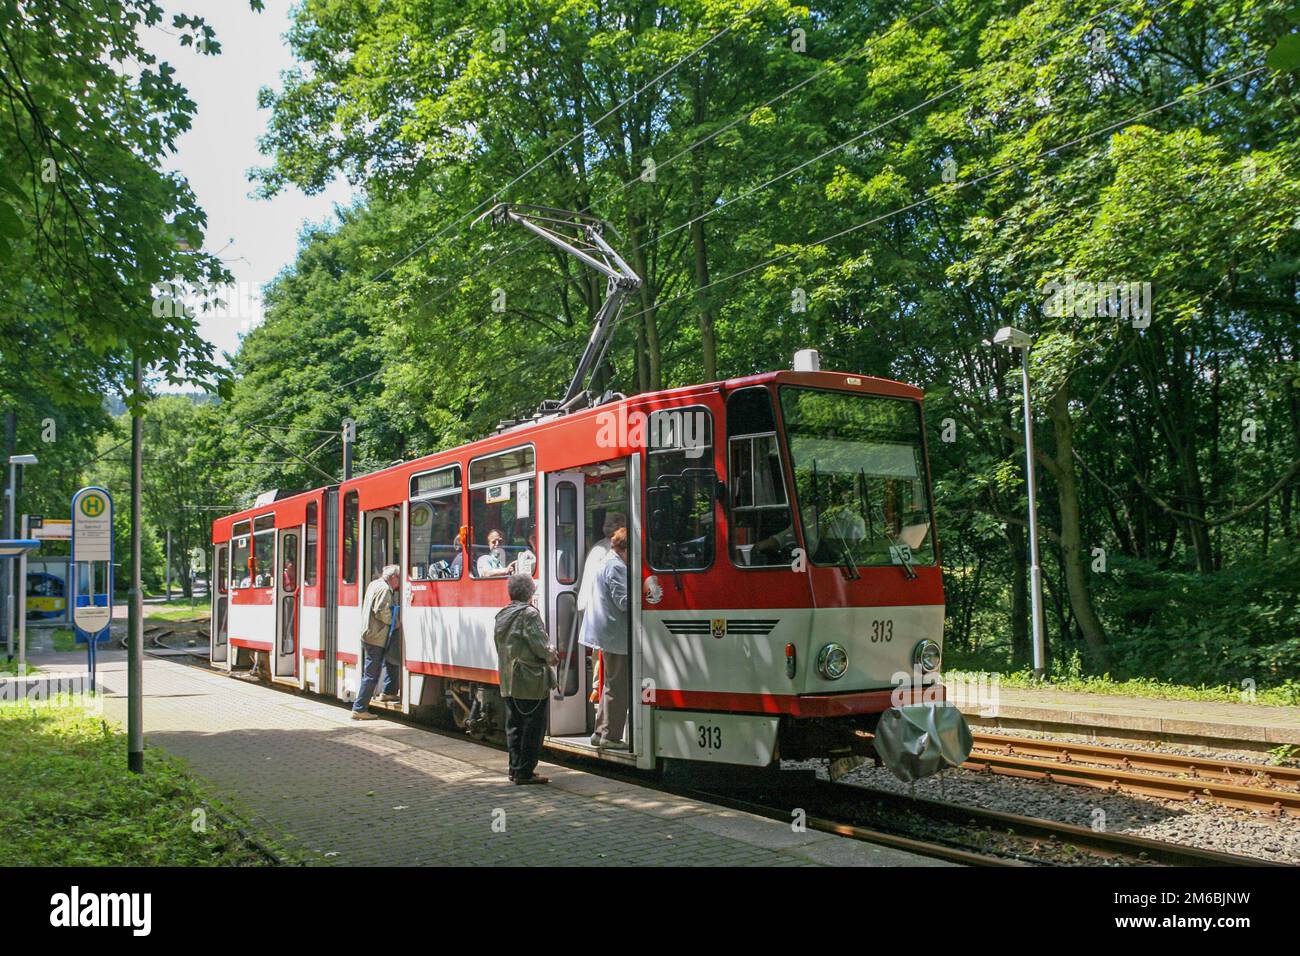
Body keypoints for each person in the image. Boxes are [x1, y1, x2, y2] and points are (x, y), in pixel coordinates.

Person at [494, 573, 558, 784]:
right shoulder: (529, 614)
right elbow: (541, 645)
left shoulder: (503, 614)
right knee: (533, 727)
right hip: (530, 680)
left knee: (514, 726)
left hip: (508, 678)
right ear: (530, 593)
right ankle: (525, 772)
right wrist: (553, 656)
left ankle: (514, 769)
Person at [580, 527, 630, 749]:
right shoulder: (616, 566)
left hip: (608, 634)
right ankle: (610, 736)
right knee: (617, 687)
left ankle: (600, 732)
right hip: (614, 634)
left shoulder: (607, 562)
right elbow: (623, 602)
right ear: (626, 548)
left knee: (610, 684)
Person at [352, 564, 402, 720]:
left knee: (390, 661)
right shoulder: (385, 589)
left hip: (369, 634)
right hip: (376, 637)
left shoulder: (374, 584)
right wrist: (396, 622)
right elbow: (381, 612)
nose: (399, 583)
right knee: (371, 674)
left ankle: (388, 692)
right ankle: (359, 708)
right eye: (399, 578)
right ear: (393, 577)